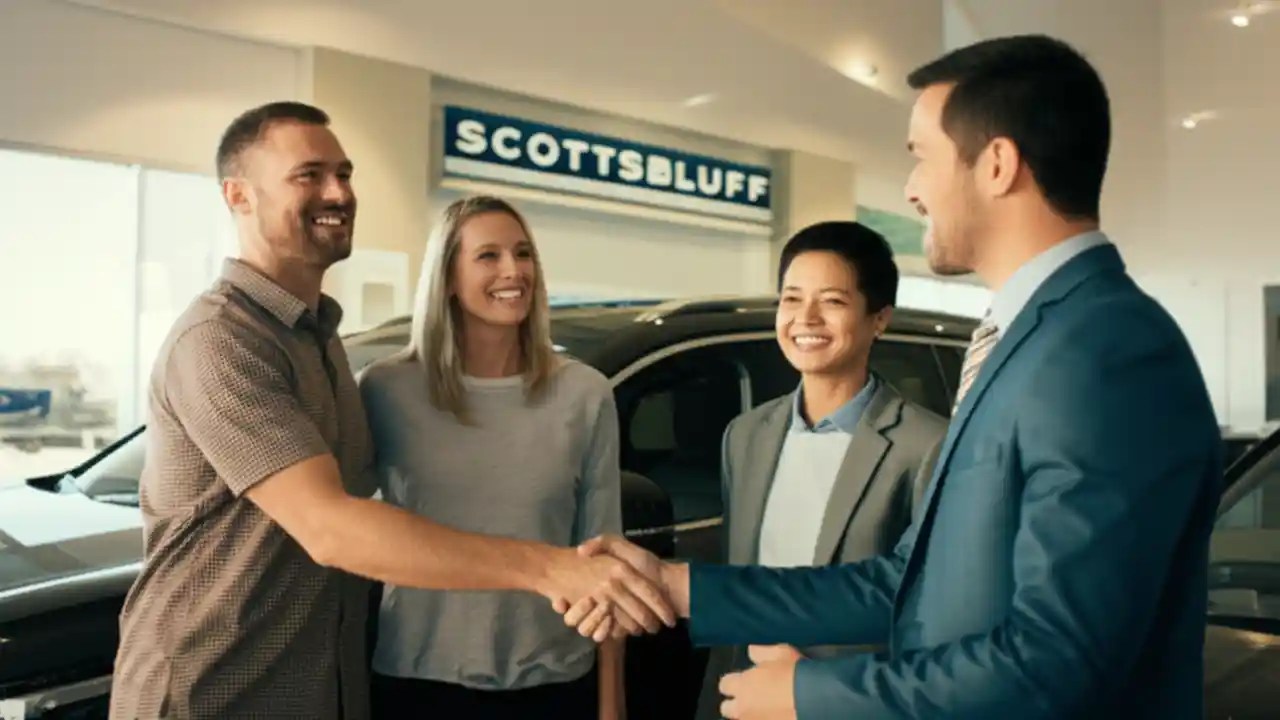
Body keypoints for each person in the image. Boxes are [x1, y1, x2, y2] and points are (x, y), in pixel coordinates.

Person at [564, 34, 1222, 720]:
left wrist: (808, 695)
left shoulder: (1106, 352)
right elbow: (905, 582)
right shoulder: (1027, 340)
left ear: (997, 164)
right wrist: (678, 587)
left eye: (920, 157)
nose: (910, 189)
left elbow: (1057, 665)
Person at [109, 102, 673, 720]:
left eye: (345, 174)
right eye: (310, 174)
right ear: (238, 195)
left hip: (321, 686)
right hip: (213, 688)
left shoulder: (319, 341)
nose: (338, 192)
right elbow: (332, 527)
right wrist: (550, 569)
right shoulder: (223, 340)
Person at [357, 195, 626, 720]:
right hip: (419, 684)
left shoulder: (584, 394)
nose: (513, 270)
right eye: (489, 256)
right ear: (448, 278)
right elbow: (345, 528)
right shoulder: (385, 390)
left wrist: (611, 702)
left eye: (523, 254)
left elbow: (604, 561)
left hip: (553, 682)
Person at [695, 221, 946, 720]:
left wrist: (812, 688)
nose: (805, 318)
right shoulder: (745, 435)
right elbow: (736, 588)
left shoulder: (926, 446)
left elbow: (928, 619)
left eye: (831, 301)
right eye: (791, 299)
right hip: (742, 698)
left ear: (879, 319)